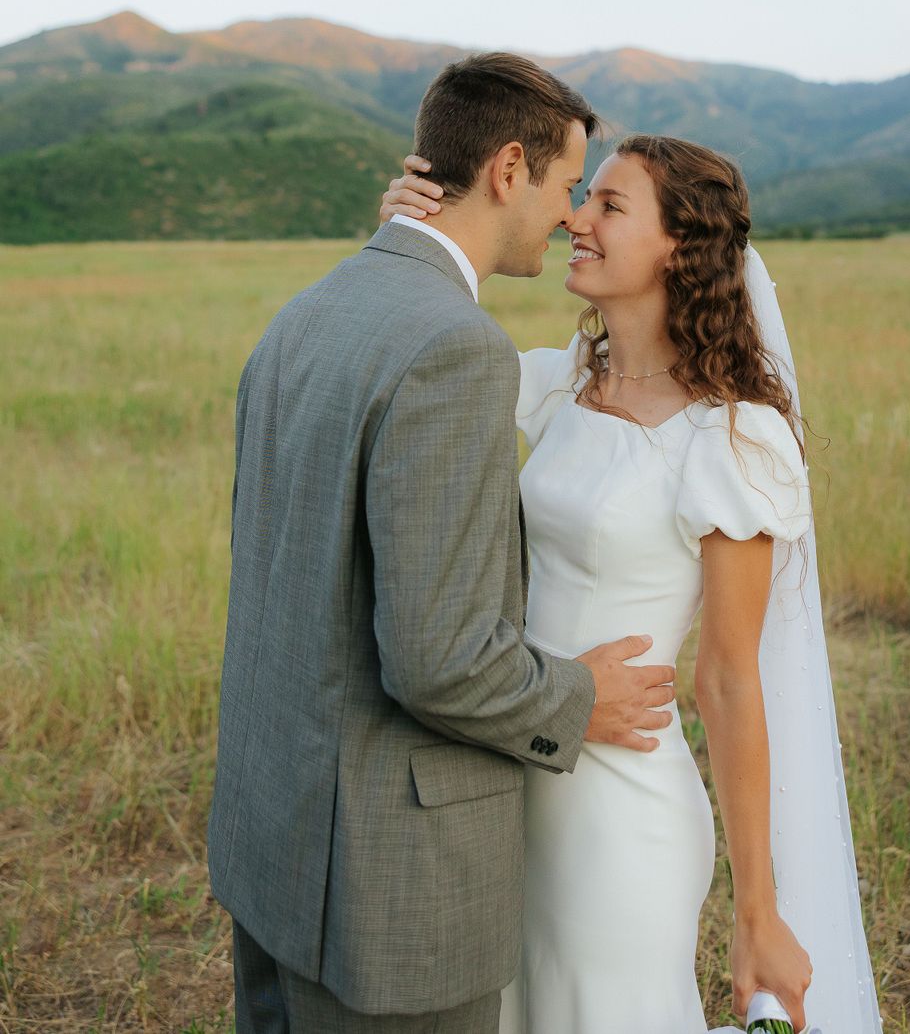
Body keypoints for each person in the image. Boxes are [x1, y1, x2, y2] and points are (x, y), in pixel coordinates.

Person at [207, 54, 677, 1034]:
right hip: (385, 901)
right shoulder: (455, 351)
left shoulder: (307, 314)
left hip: (273, 850)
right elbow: (438, 660)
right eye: (563, 185)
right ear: (508, 169)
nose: (569, 215)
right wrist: (578, 695)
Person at [381, 133, 882, 1033]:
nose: (577, 216)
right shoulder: (565, 382)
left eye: (610, 205)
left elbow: (729, 678)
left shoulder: (732, 440)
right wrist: (411, 238)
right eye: (586, 197)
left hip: (619, 814)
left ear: (679, 248)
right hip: (513, 769)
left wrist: (757, 913)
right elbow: (422, 363)